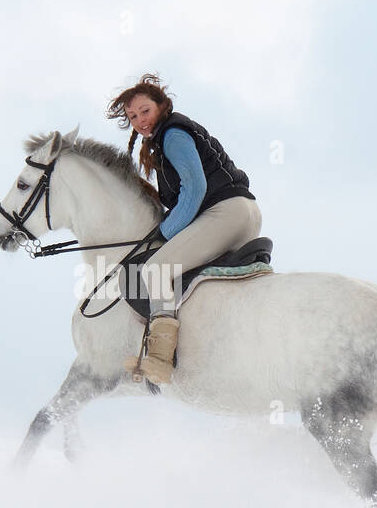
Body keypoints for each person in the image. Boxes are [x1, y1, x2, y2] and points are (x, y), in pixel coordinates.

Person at [105, 73, 262, 385]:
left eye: (145, 111)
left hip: (225, 213)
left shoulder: (173, 134)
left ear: (161, 106)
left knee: (155, 269)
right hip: (242, 214)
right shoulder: (164, 138)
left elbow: (195, 188)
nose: (140, 120)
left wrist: (166, 232)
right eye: (133, 117)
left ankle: (160, 357)